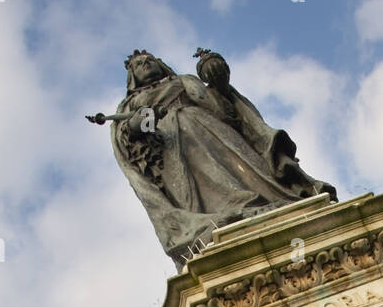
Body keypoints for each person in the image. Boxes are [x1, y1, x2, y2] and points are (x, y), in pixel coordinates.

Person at [88, 49, 336, 265]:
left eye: (149, 60)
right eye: (139, 65)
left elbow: (220, 108)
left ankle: (261, 202)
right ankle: (230, 215)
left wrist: (219, 83)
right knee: (198, 184)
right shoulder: (130, 104)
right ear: (132, 77)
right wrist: (138, 125)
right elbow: (127, 140)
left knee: (241, 163)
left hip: (208, 127)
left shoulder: (183, 80)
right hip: (171, 150)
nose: (146, 65)